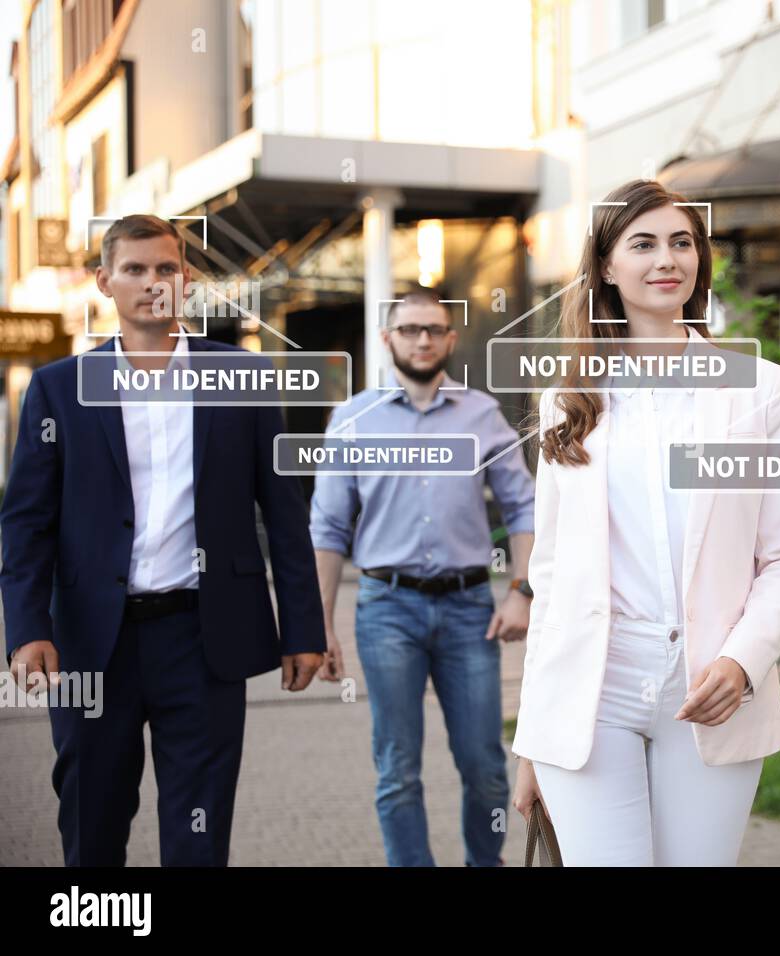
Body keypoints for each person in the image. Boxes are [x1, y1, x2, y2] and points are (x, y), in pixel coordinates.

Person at [509, 179, 780, 866]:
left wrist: (742, 662)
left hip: (711, 687)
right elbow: (553, 577)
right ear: (606, 268)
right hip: (591, 693)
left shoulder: (760, 389)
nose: (666, 259)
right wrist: (536, 735)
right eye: (643, 243)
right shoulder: (570, 399)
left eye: (682, 242)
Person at [1, 214, 326, 866]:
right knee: (91, 830)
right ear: (104, 282)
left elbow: (285, 515)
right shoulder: (58, 389)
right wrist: (27, 630)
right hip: (92, 643)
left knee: (199, 841)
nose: (153, 283)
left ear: (187, 279)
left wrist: (304, 630)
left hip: (203, 641)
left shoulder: (242, 379)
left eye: (167, 268)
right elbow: (26, 522)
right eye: (135, 269)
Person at [310, 288, 535, 867]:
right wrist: (321, 625)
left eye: (433, 329)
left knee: (486, 767)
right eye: (409, 330)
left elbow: (525, 509)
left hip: (468, 611)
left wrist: (521, 590)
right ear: (387, 339)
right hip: (386, 608)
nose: (423, 340)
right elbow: (329, 528)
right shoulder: (352, 418)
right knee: (397, 768)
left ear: (450, 339)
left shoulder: (482, 413)